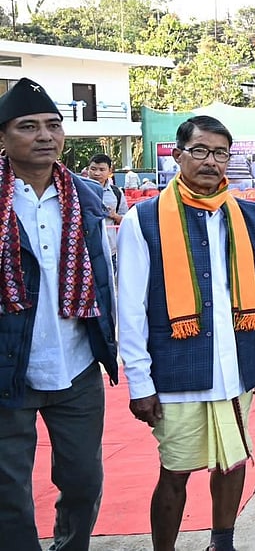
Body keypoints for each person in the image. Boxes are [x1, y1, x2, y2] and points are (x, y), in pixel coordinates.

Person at [117, 115, 255, 551]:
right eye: (201, 151)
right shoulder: (144, 219)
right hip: (177, 373)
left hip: (236, 367)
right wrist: (140, 382)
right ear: (179, 153)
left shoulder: (249, 217)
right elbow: (130, 308)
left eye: (221, 152)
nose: (211, 161)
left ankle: (222, 541)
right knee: (174, 471)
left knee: (232, 461)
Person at [0, 77, 119, 550]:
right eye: (29, 126)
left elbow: (109, 279)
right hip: (10, 368)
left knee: (85, 481)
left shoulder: (87, 197)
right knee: (8, 491)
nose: (45, 135)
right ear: (4, 137)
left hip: (77, 365)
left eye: (53, 125)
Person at [86, 153, 128, 273]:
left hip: (110, 250)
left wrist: (114, 216)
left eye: (102, 169)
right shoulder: (77, 189)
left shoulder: (116, 192)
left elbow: (126, 219)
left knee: (108, 287)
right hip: (85, 250)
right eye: (93, 169)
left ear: (110, 171)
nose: (97, 173)